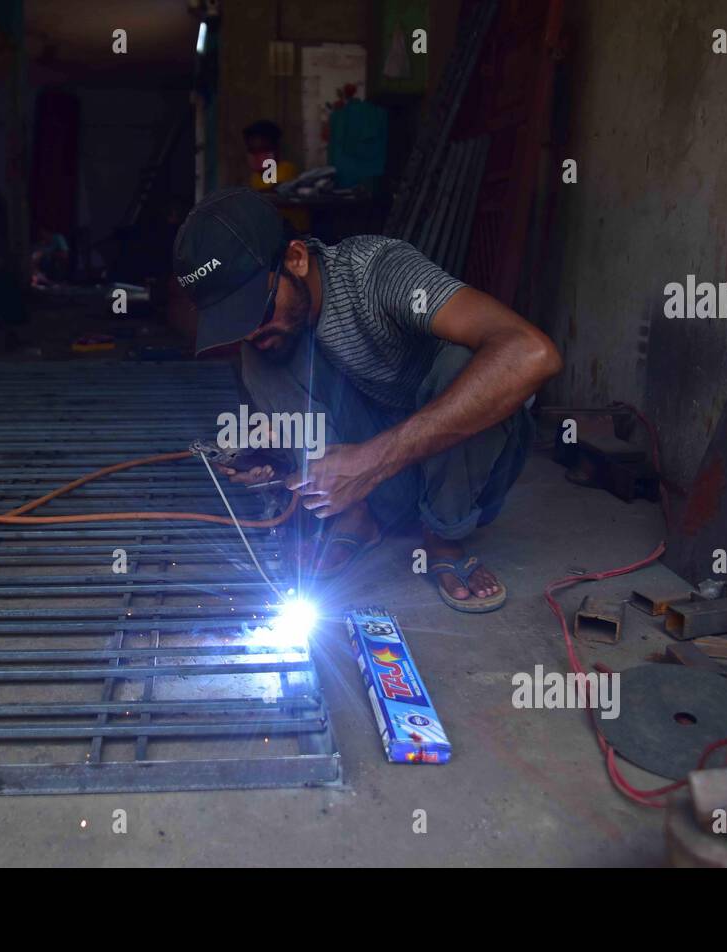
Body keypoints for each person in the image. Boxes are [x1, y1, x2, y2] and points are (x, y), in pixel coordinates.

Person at [172, 187, 562, 613]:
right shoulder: (272, 334)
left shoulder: (377, 272)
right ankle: (356, 515)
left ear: (296, 259)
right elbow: (294, 402)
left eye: (255, 311)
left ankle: (443, 538)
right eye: (235, 323)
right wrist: (273, 454)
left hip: (468, 473)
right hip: (387, 480)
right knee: (266, 348)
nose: (249, 330)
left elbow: (532, 353)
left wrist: (371, 460)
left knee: (469, 359)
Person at [243, 120, 309, 235]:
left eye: (263, 149)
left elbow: (276, 191)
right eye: (252, 150)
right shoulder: (256, 177)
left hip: (295, 234)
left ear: (276, 149)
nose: (257, 155)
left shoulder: (286, 169)